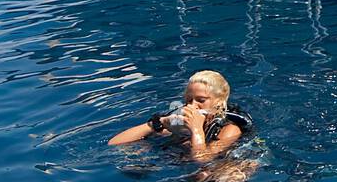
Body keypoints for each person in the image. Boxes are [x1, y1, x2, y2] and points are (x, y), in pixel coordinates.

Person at [108, 69, 252, 162]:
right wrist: (157, 123)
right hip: (182, 169)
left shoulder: (229, 130)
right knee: (128, 159)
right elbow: (114, 143)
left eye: (201, 100)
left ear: (219, 102)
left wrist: (196, 130)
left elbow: (202, 159)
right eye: (189, 100)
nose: (192, 105)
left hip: (224, 169)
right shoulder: (180, 125)